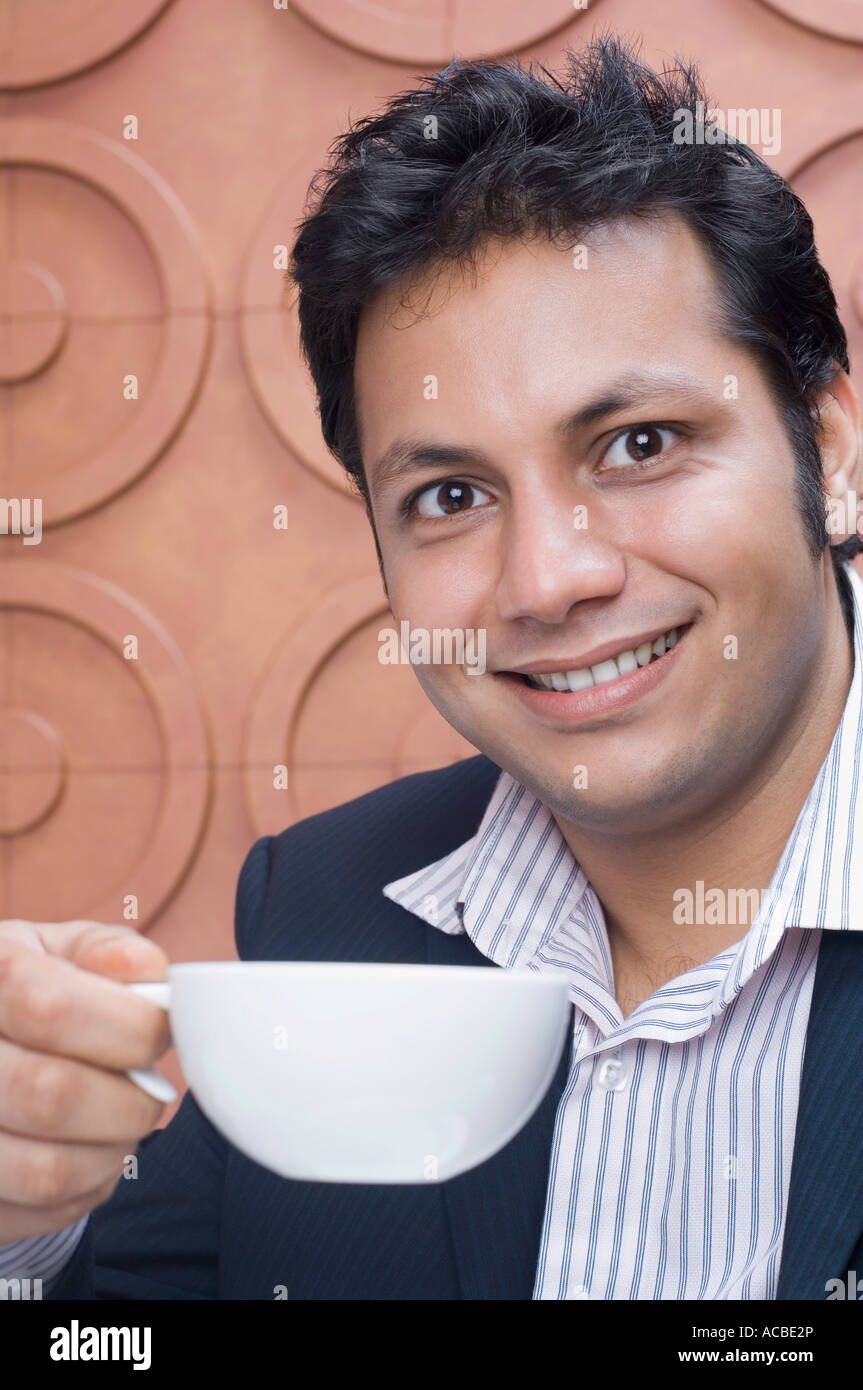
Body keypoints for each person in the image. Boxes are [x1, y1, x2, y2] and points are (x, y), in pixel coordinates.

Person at [2, 34, 863, 1300]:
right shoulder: (323, 909)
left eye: (636, 443)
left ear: (829, 449)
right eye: (450, 493)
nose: (546, 580)